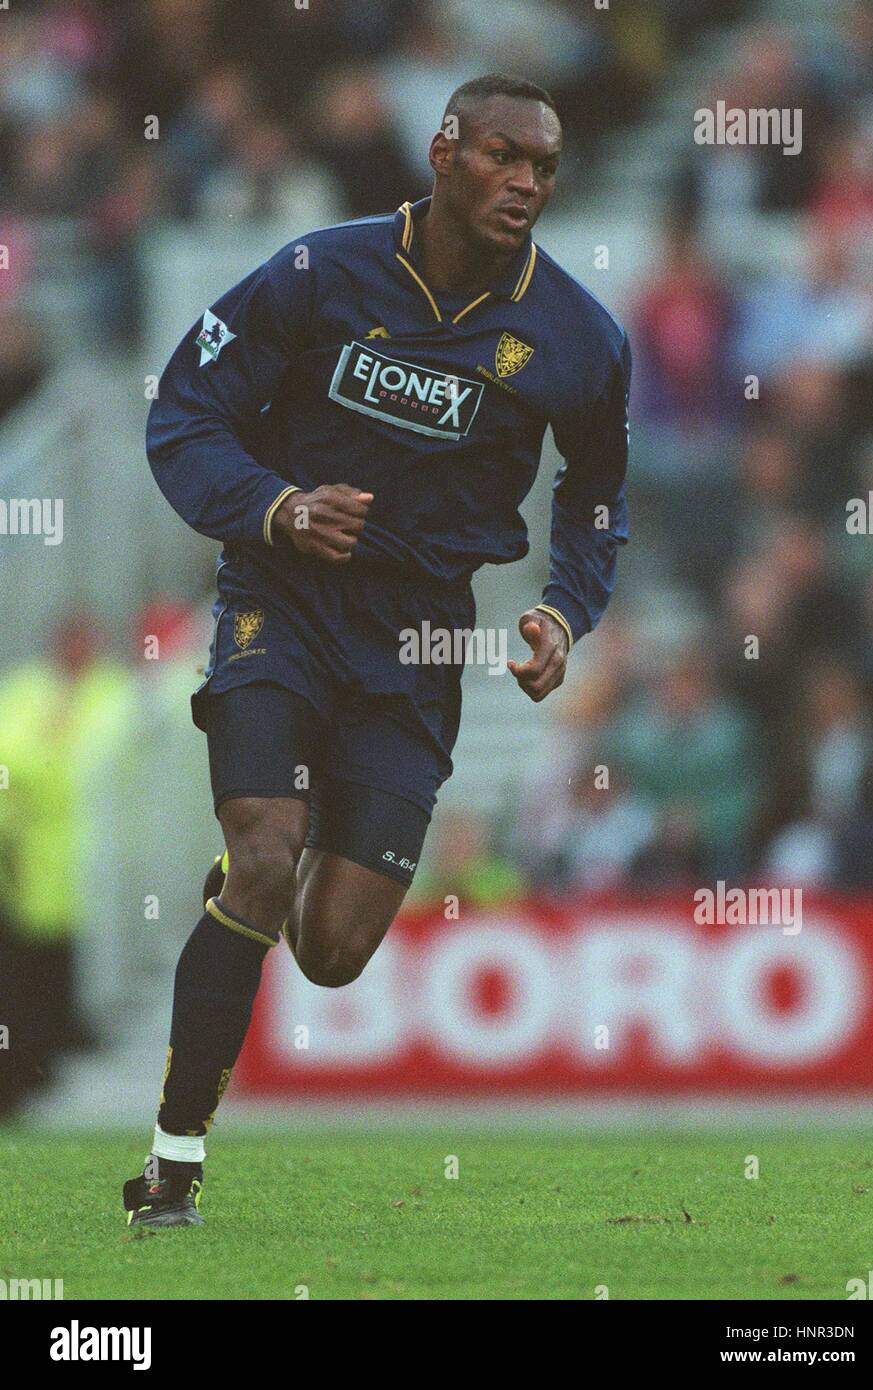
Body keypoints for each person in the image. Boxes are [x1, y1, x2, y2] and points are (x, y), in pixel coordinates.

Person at [123, 73, 630, 1227]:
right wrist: (275, 504)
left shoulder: (577, 337)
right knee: (262, 853)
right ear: (443, 152)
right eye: (504, 157)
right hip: (285, 595)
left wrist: (562, 608)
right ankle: (174, 1164)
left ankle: (253, 894)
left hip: (419, 630)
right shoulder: (317, 273)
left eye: (543, 169)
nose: (525, 184)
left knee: (336, 950)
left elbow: (597, 497)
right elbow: (184, 413)